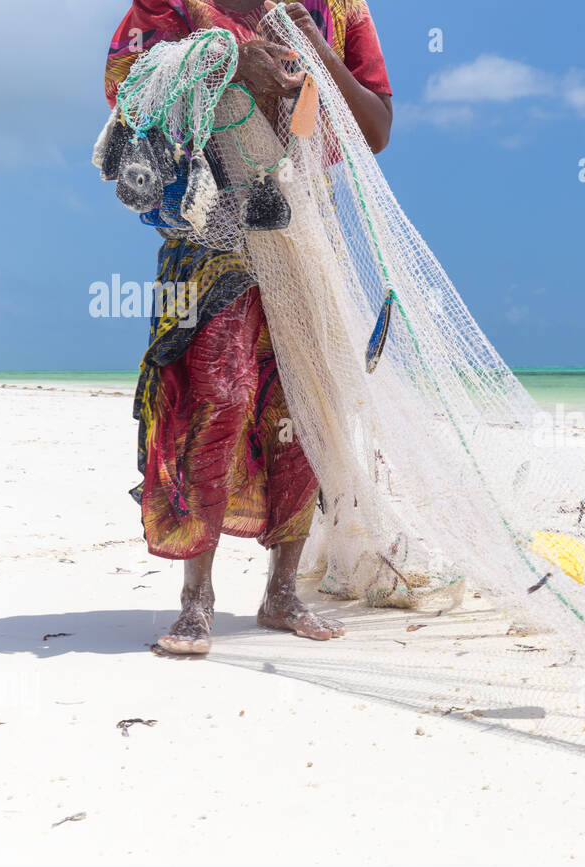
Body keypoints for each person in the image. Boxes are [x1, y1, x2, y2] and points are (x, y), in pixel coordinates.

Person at [104, 0, 393, 654]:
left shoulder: (338, 11)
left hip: (301, 228)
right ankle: (196, 600)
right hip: (206, 226)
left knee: (303, 405)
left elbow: (375, 128)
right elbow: (127, 92)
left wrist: (316, 49)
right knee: (214, 394)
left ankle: (282, 594)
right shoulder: (172, 5)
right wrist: (227, 63)